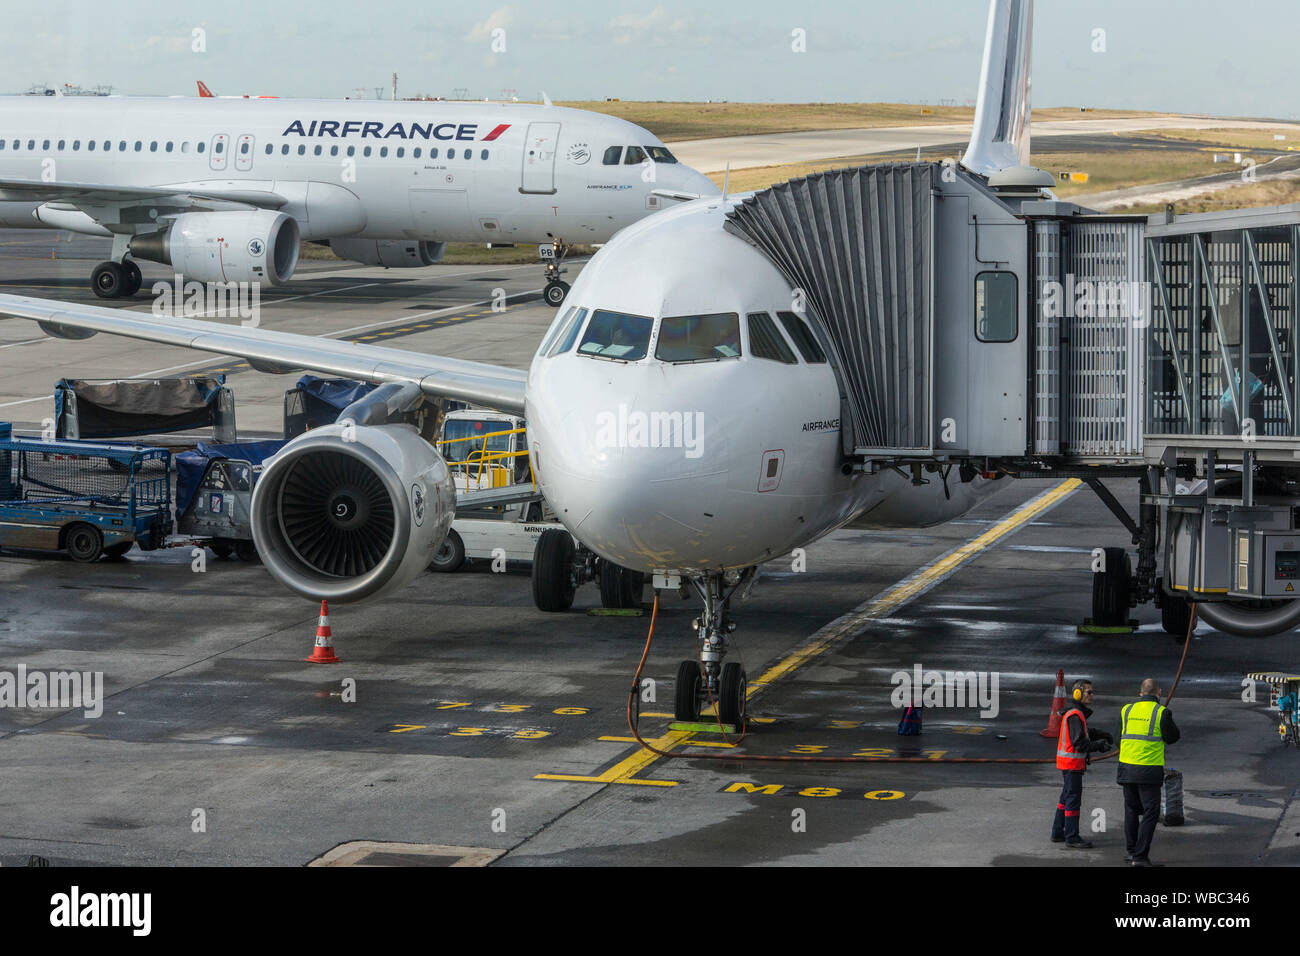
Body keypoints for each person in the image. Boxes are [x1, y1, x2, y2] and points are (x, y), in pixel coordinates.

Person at [1116, 678, 1180, 866]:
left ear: (1141, 693)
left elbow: (1117, 738)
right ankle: (1140, 856)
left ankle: (1131, 851)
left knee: (1131, 810)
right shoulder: (1162, 713)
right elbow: (1173, 737)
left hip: (1126, 768)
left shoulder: (1126, 710)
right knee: (1151, 812)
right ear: (1159, 693)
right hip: (1148, 770)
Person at [1051, 679, 1114, 849]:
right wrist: (1099, 745)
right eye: (1089, 692)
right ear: (1078, 693)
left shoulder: (1076, 713)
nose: (1092, 695)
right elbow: (1080, 743)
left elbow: (1084, 733)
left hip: (1069, 764)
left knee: (1066, 797)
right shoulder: (1075, 715)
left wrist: (1101, 734)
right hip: (1072, 765)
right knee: (1073, 800)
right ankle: (1072, 836)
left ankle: (1058, 831)